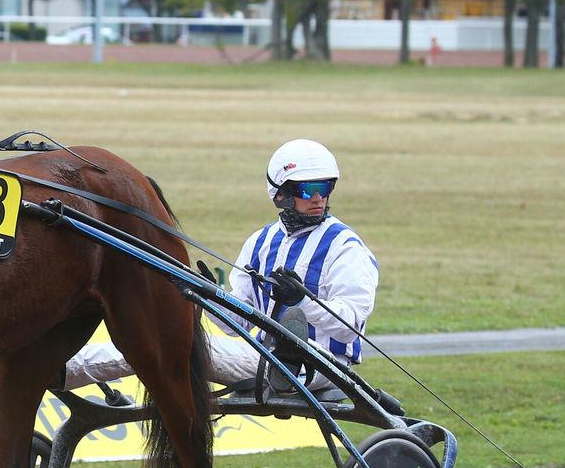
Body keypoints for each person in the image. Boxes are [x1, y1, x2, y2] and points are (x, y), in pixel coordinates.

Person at [59, 138, 378, 396]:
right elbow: (234, 324)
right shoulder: (261, 242)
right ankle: (65, 368)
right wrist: (209, 295)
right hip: (262, 357)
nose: (319, 198)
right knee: (156, 341)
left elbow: (349, 326)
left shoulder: (345, 247)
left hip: (328, 364)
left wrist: (302, 302)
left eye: (326, 188)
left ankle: (293, 362)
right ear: (280, 194)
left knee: (166, 346)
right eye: (308, 189)